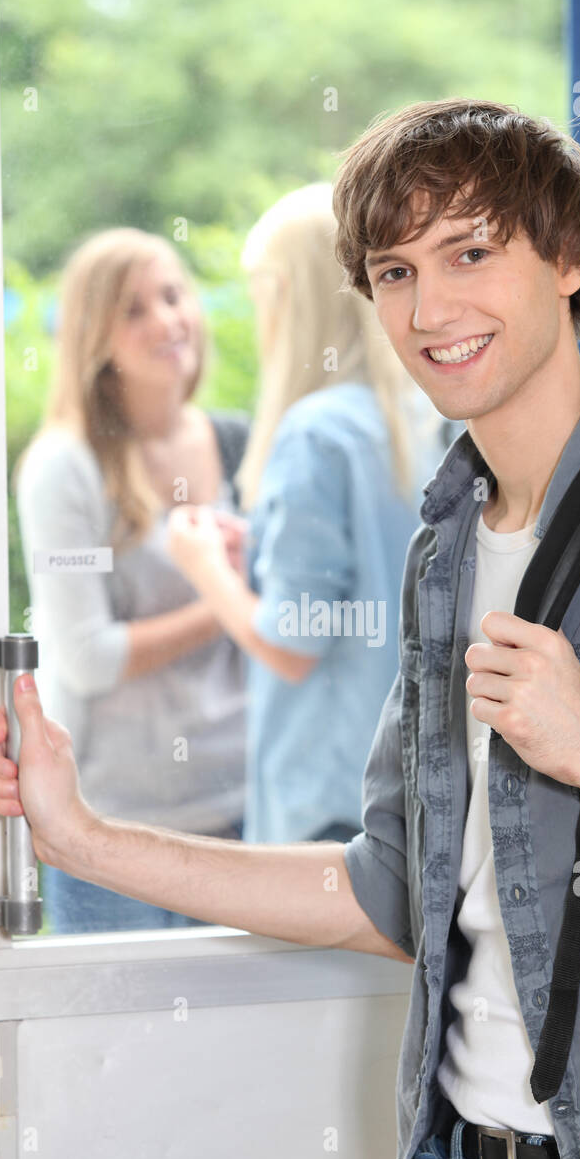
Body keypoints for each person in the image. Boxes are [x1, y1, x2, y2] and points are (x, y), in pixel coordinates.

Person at [0, 99, 580, 1159]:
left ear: (567, 259)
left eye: (468, 252)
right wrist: (80, 837)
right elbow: (380, 892)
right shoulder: (441, 548)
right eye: (393, 270)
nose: (427, 309)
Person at [165, 183, 440, 845]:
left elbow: (291, 648)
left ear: (292, 296)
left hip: (322, 808)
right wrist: (259, 550)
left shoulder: (313, 436)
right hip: (406, 792)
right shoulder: (421, 419)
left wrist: (209, 572)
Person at [13, 227, 248, 933]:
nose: (167, 320)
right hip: (111, 835)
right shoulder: (66, 469)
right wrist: (222, 600)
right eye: (134, 309)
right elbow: (87, 657)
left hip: (245, 816)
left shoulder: (236, 442)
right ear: (96, 339)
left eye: (174, 295)